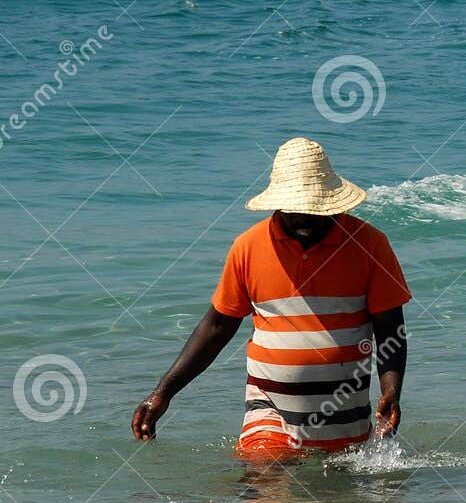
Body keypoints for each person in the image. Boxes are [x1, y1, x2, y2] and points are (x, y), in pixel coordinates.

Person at [131, 138, 411, 458]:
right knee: (264, 484)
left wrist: (392, 390)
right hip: (269, 412)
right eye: (293, 210)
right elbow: (217, 326)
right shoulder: (248, 247)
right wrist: (163, 392)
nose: (302, 218)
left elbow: (391, 329)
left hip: (345, 416)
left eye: (310, 210)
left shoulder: (370, 245)